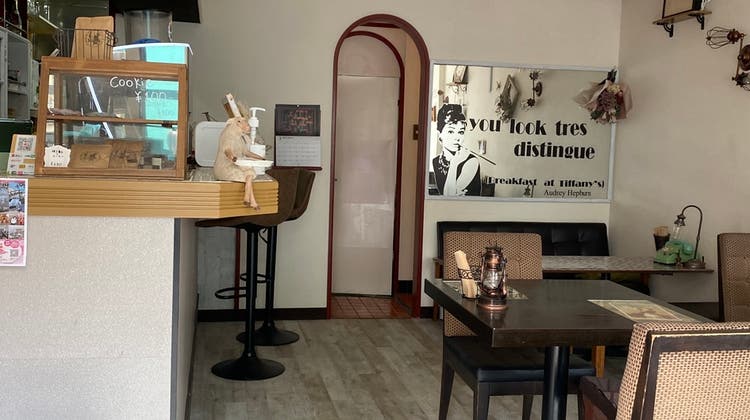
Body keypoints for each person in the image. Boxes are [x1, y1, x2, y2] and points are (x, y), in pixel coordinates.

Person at [432, 104, 481, 196]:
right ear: (440, 134)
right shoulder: (436, 161)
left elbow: (448, 195)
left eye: (461, 132)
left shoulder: (472, 161)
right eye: (451, 131)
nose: (457, 138)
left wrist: (454, 164)